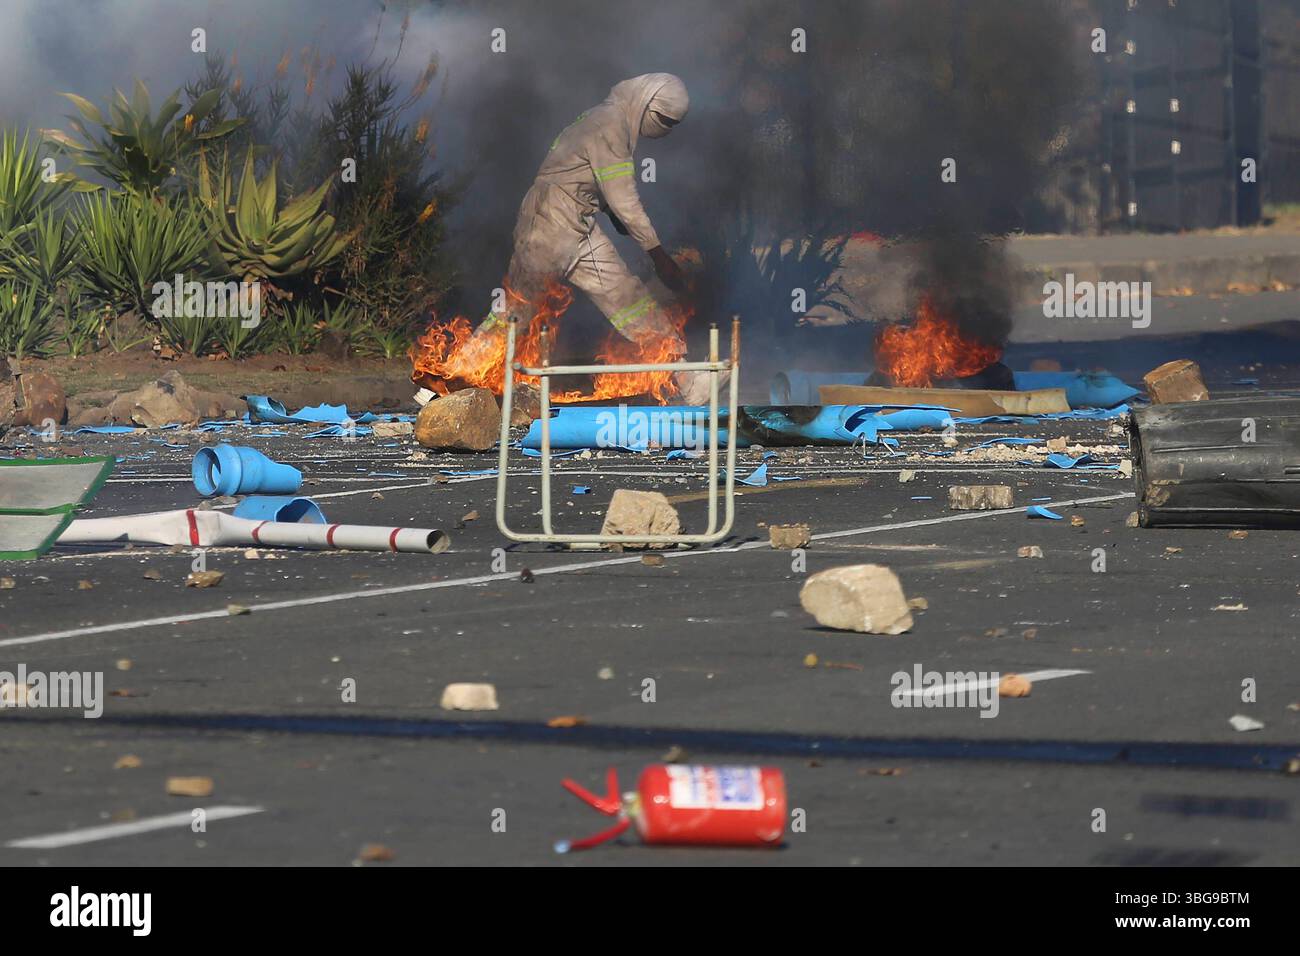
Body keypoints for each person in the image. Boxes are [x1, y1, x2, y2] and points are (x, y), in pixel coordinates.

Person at [467, 72, 717, 403]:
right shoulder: (610, 124)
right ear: (647, 105)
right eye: (666, 122)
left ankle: (687, 377)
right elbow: (625, 200)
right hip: (550, 222)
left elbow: (602, 190)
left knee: (628, 296)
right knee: (516, 310)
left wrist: (616, 218)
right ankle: (445, 380)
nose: (666, 131)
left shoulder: (612, 121)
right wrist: (659, 257)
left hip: (578, 222)